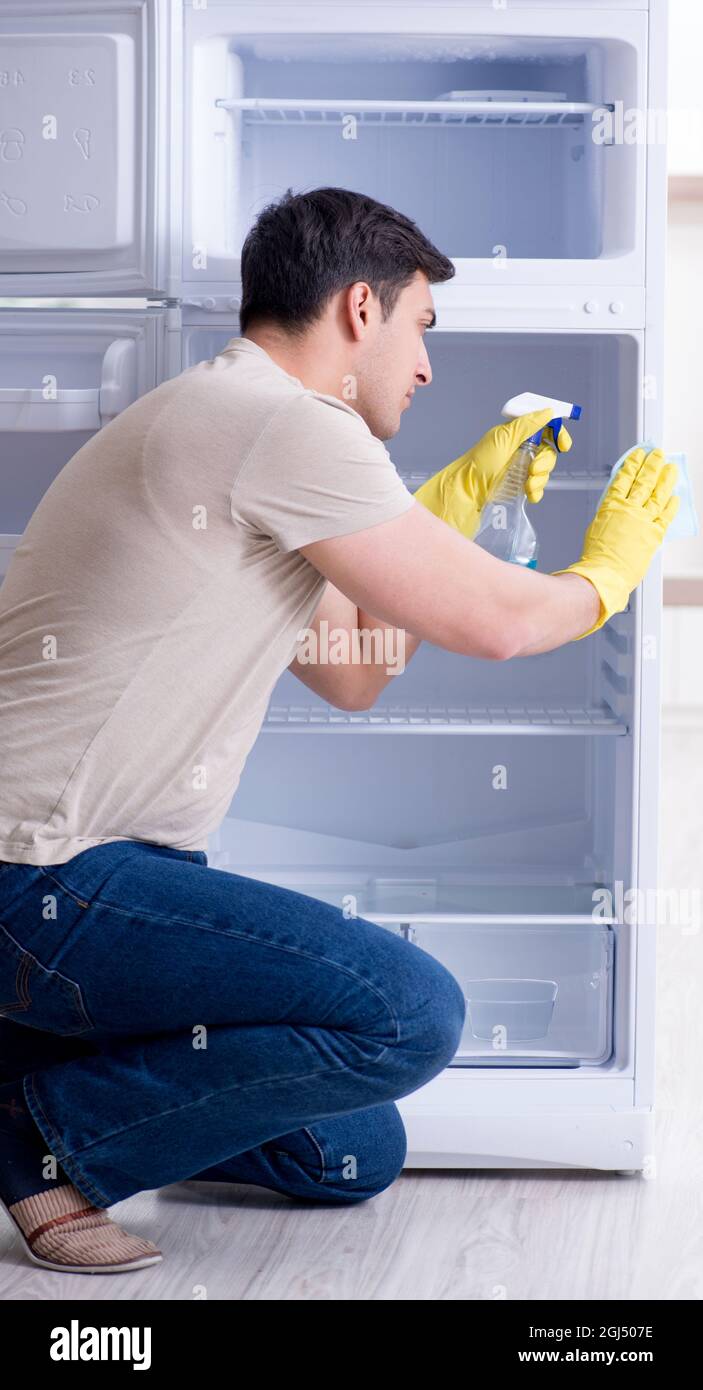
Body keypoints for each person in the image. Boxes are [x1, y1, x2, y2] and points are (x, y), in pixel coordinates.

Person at [0, 187, 678, 1273]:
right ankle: (41, 1138)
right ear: (360, 309)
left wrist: (451, 504)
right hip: (44, 879)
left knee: (355, 1151)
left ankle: (34, 1069)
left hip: (87, 886)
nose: (421, 366)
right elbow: (499, 624)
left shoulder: (235, 422)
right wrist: (606, 574)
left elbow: (353, 669)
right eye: (420, 329)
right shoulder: (279, 422)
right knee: (413, 1016)